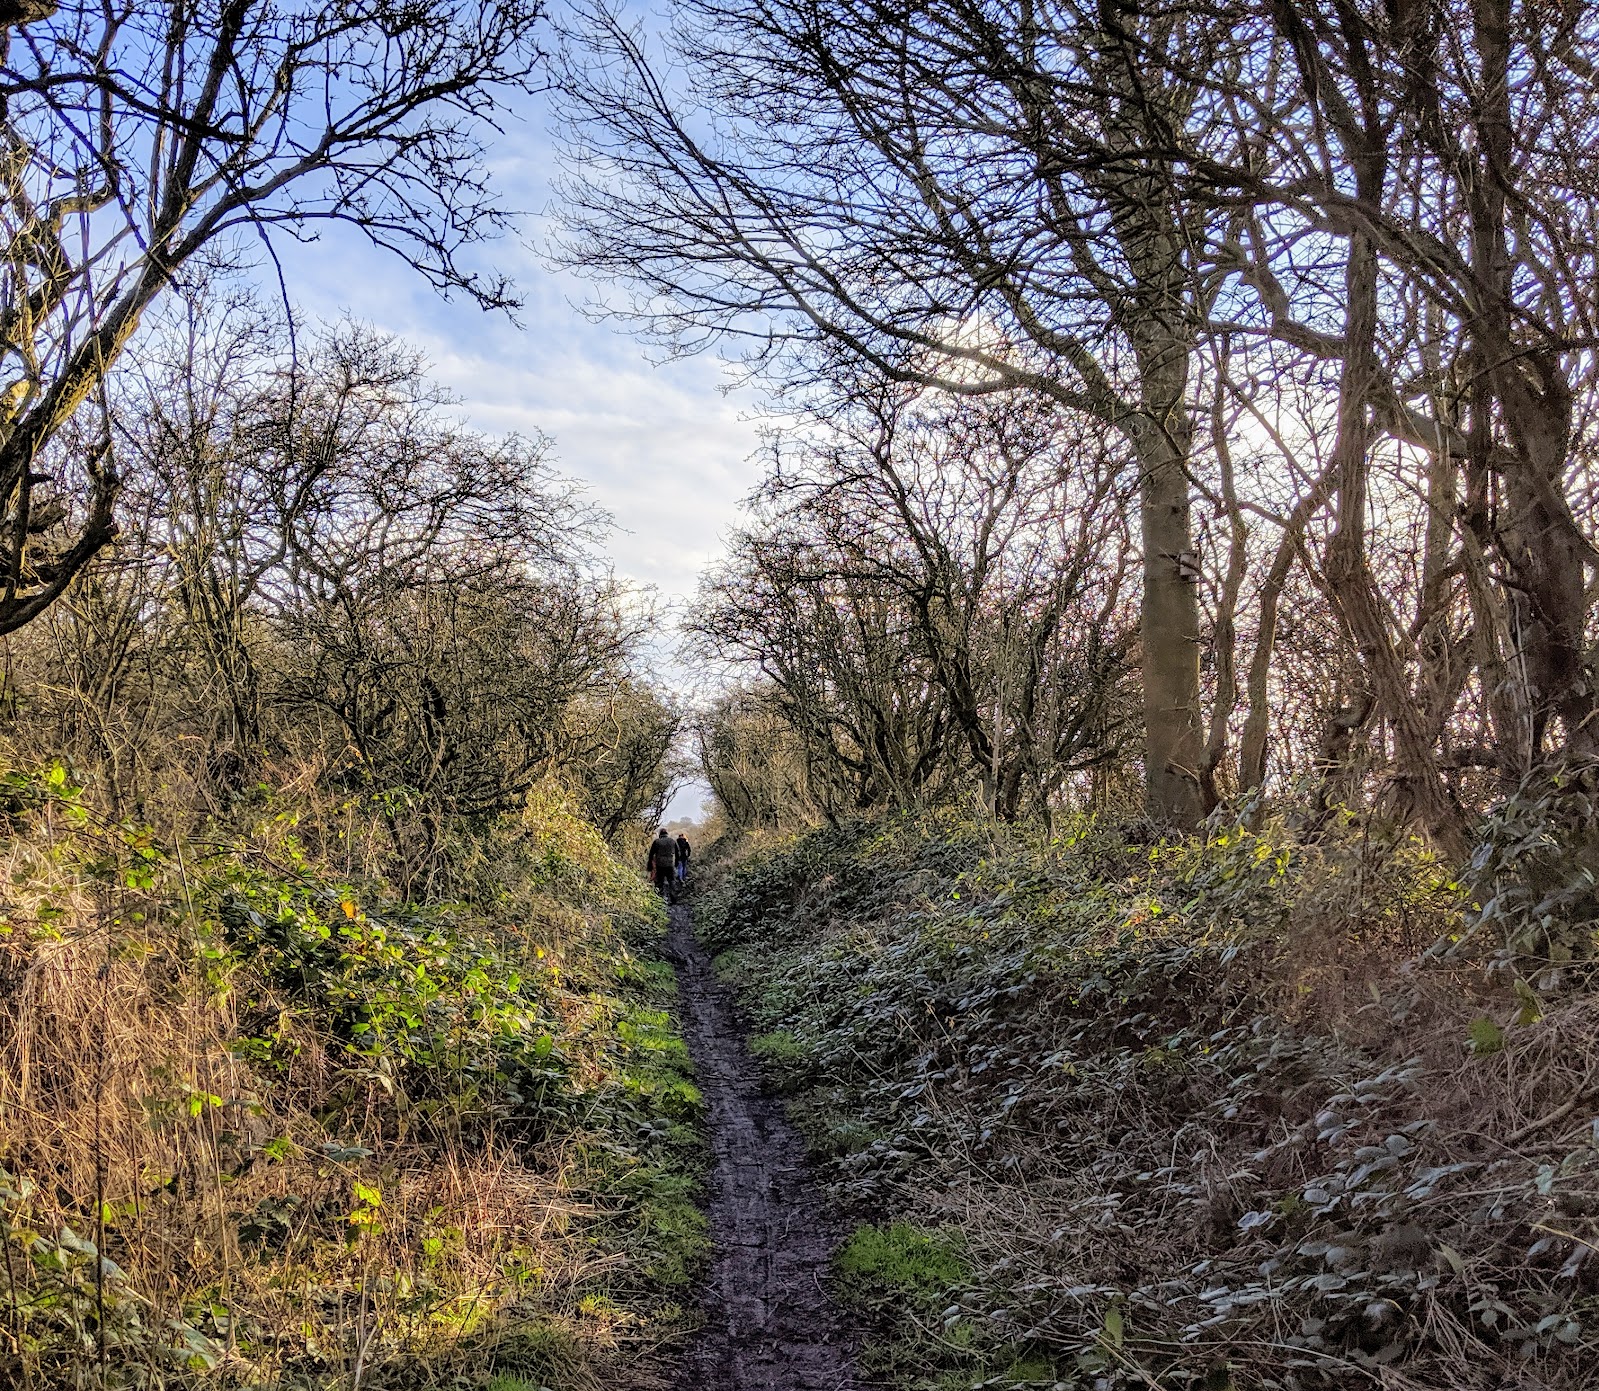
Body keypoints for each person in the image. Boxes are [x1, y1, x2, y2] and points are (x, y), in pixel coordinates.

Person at [646, 828, 677, 902]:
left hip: (660, 865)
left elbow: (651, 854)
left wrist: (650, 864)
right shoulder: (672, 841)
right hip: (670, 864)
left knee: (660, 882)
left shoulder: (656, 842)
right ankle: (673, 899)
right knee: (671, 881)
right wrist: (676, 863)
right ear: (667, 833)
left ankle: (660, 899)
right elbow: (678, 853)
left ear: (660, 834)